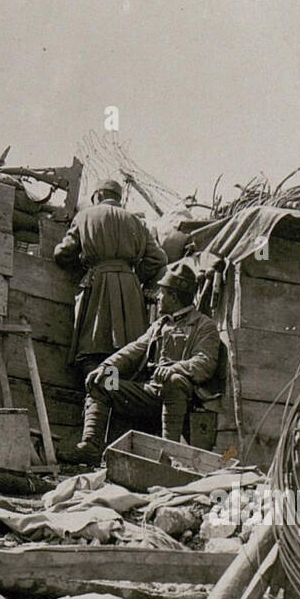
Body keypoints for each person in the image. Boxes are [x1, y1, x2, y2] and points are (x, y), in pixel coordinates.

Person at [53, 178, 167, 459]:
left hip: (98, 289)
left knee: (95, 358)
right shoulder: (136, 221)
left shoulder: (85, 216)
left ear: (99, 196)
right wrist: (132, 279)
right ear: (118, 197)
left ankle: (91, 443)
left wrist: (88, 262)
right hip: (130, 296)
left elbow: (61, 253)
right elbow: (158, 258)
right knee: (124, 363)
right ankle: (118, 444)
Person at [85, 262, 221, 448]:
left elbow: (205, 362)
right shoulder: (160, 325)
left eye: (162, 293)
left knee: (173, 381)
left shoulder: (204, 325)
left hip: (182, 398)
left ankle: (169, 452)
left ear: (173, 297)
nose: (158, 297)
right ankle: (90, 447)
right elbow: (133, 350)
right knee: (102, 383)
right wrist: (106, 367)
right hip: (148, 392)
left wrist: (174, 369)